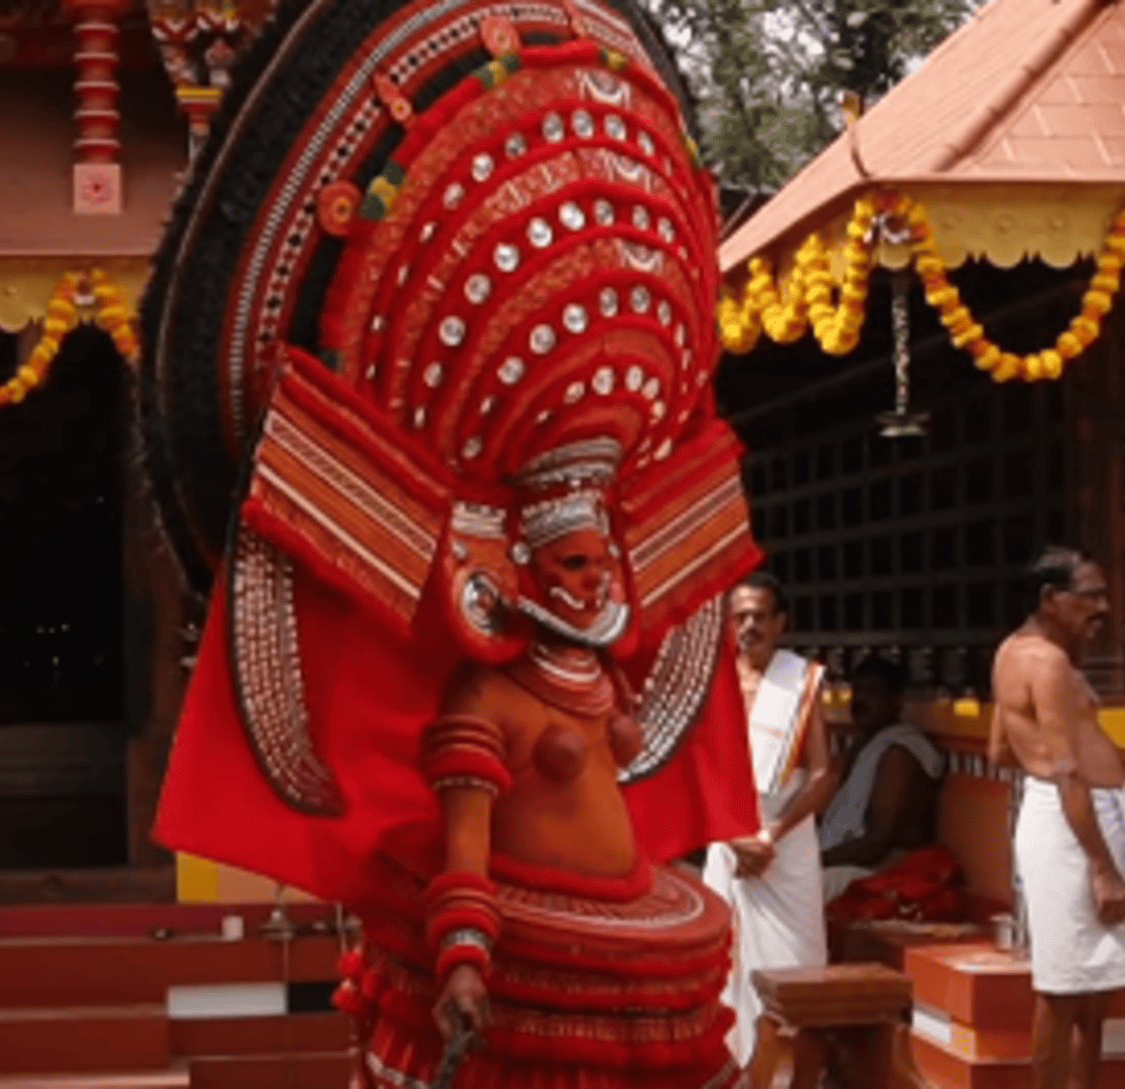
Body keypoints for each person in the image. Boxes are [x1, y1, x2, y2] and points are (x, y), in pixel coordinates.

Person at [139, 0, 766, 1084]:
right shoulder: (485, 706)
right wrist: (465, 960)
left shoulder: (601, 680)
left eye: (601, 563)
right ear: (521, 571)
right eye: (571, 566)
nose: (592, 582)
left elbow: (642, 774)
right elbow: (465, 853)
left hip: (625, 953)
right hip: (516, 977)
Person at [991, 546, 1125, 1089]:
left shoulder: (1013, 653)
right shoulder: (1047, 663)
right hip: (1075, 822)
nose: (1102, 607)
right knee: (1064, 986)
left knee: (1093, 984)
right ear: (1051, 598)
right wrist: (1103, 867)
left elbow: (999, 750)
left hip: (1074, 814)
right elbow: (1067, 772)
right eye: (1090, 596)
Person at [703, 572, 834, 1063]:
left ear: (781, 623)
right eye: (740, 616)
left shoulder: (800, 681)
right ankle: (734, 1071)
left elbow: (823, 775)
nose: (749, 625)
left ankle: (790, 1076)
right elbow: (698, 770)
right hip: (728, 840)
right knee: (724, 966)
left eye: (760, 615)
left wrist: (771, 834)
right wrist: (735, 837)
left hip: (787, 841)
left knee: (797, 965)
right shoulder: (712, 685)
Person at [818, 655, 942, 902]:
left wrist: (813, 861)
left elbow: (876, 843)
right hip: (851, 862)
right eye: (858, 692)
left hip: (887, 869)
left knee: (798, 888)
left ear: (896, 702)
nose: (861, 701)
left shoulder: (899, 752)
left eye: (873, 693)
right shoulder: (864, 745)